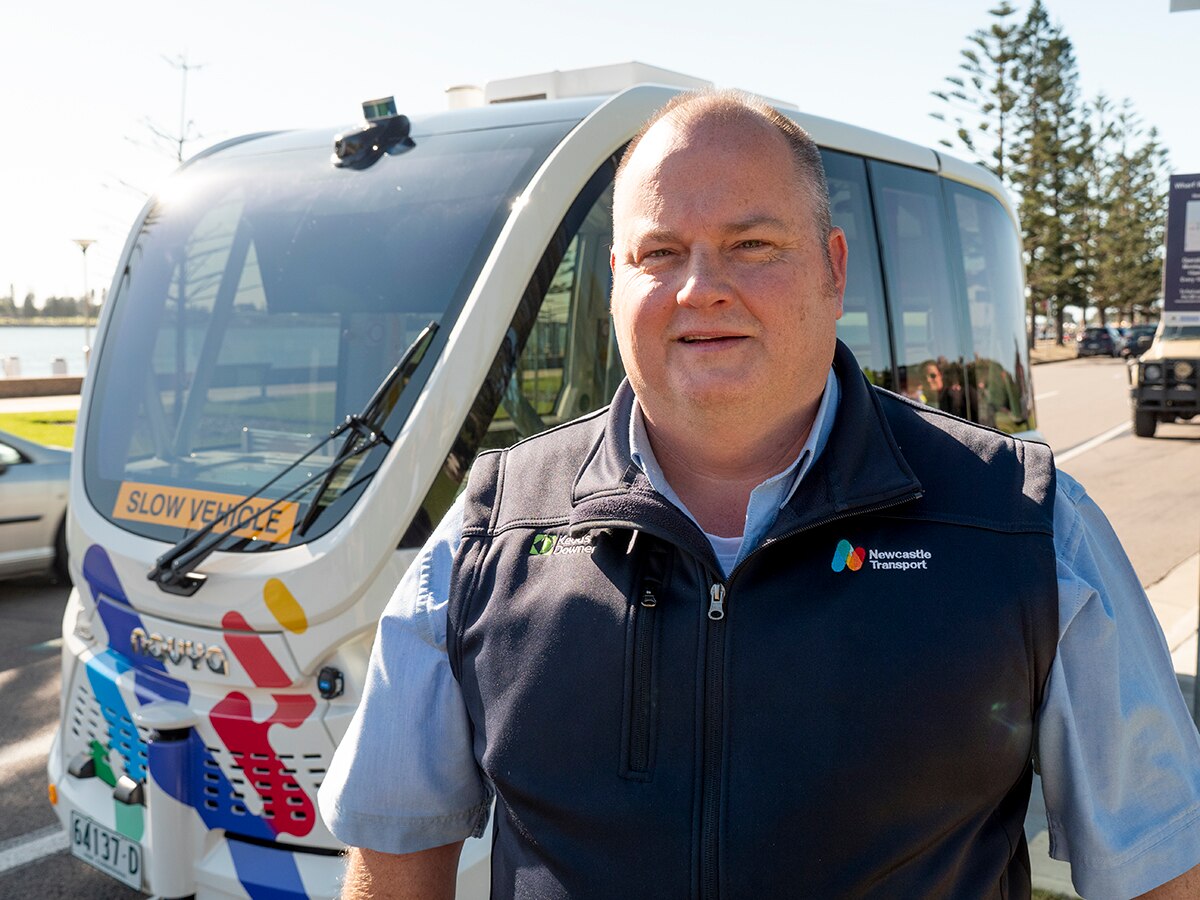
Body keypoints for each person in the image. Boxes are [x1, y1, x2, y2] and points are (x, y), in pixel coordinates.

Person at [318, 91, 1200, 899]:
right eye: (659, 253)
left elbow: (1162, 873)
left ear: (832, 269)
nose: (701, 288)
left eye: (752, 246)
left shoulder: (1027, 527)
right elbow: (394, 865)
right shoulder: (488, 534)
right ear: (616, 282)